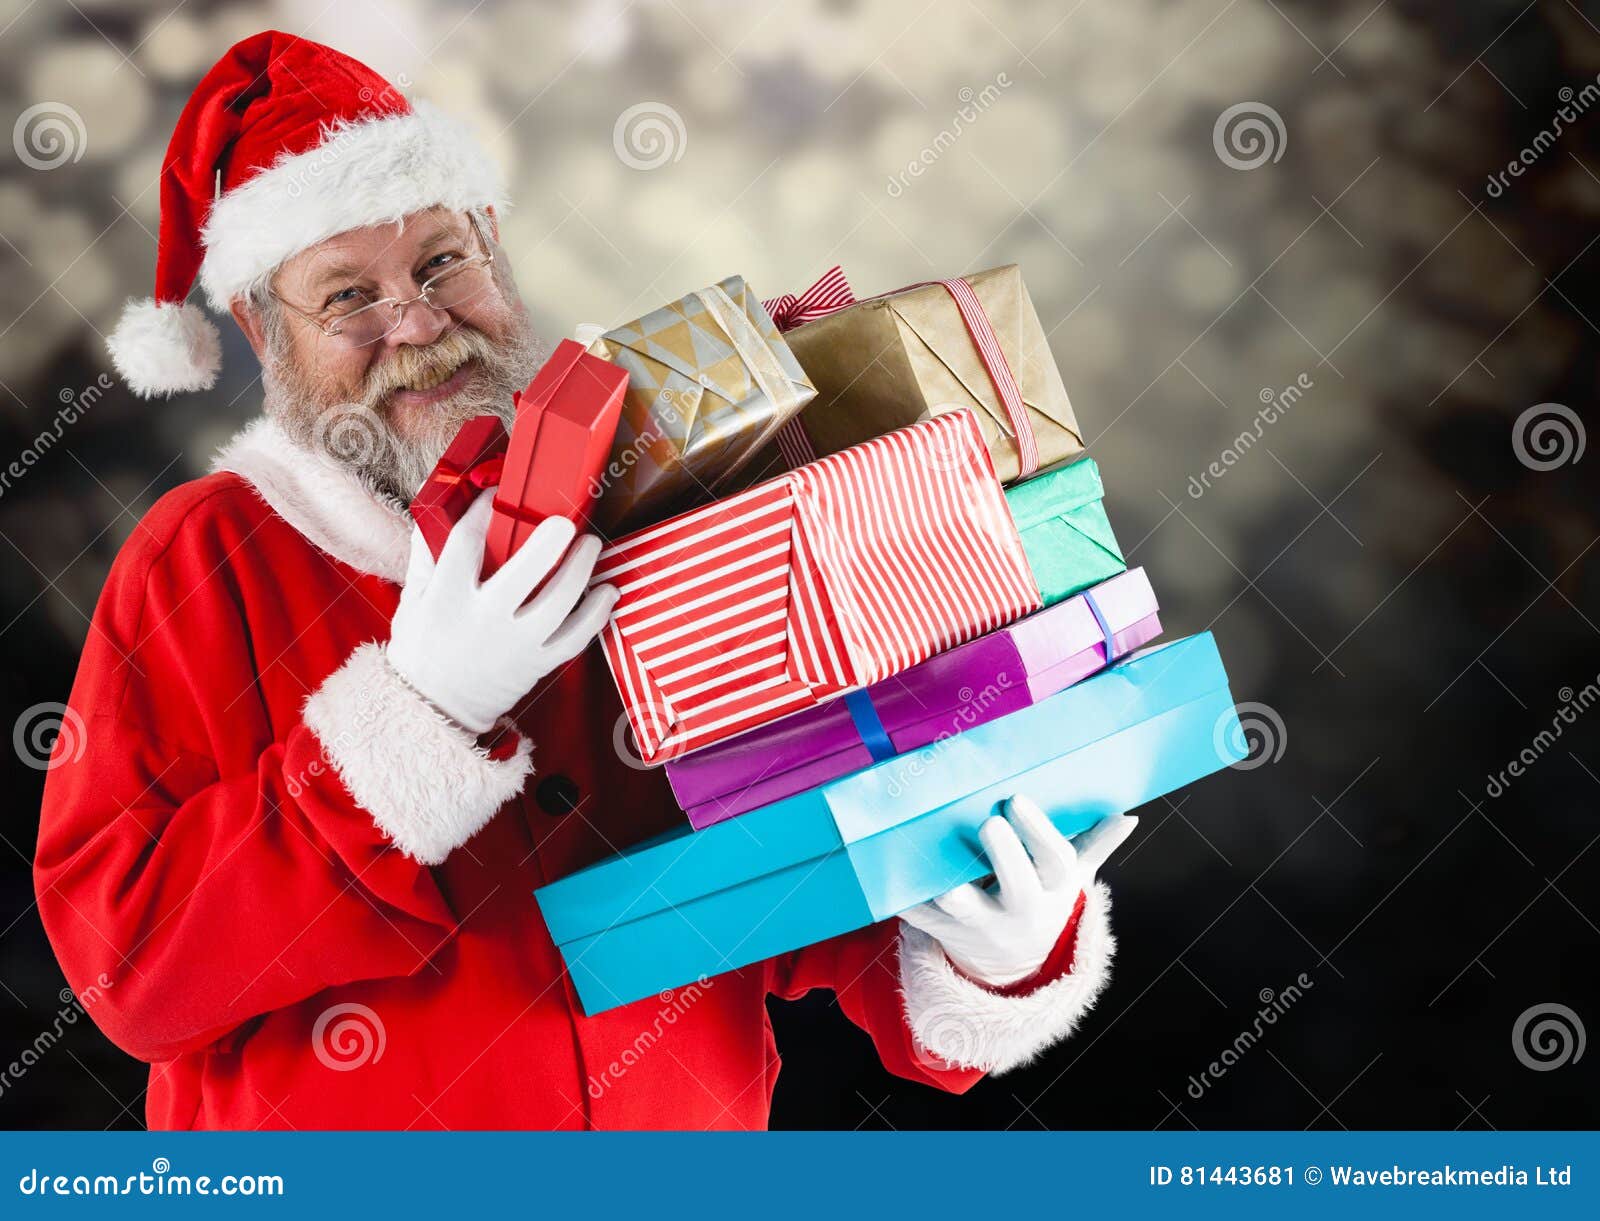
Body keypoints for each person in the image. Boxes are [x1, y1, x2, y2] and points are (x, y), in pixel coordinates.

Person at [34, 31, 1135, 1130]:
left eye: (439, 264)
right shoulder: (205, 555)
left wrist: (991, 938)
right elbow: (133, 970)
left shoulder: (659, 506)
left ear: (495, 249)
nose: (417, 324)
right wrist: (414, 719)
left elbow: (807, 873)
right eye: (348, 297)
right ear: (260, 332)